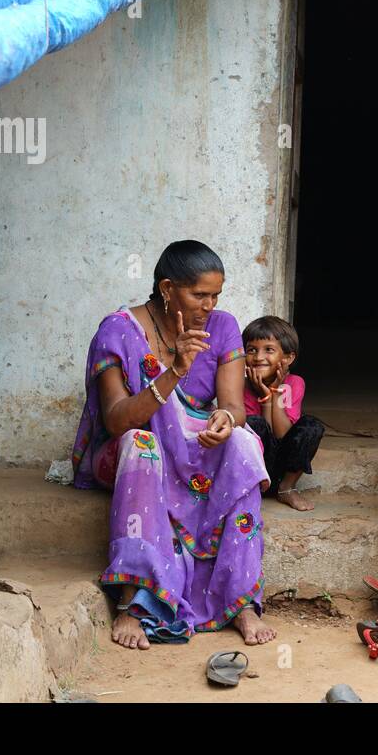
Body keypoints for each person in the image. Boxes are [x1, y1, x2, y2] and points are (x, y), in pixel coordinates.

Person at [71, 240, 277, 649]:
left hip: (195, 445)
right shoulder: (119, 331)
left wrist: (226, 419)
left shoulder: (222, 326)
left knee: (242, 445)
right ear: (167, 288)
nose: (209, 304)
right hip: (131, 450)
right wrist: (175, 371)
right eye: (199, 294)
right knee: (142, 444)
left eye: (216, 294)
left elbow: (235, 405)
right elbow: (117, 420)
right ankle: (137, 600)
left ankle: (240, 601)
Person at [242, 315, 325, 512]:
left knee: (311, 426)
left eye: (268, 350)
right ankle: (251, 489)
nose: (259, 357)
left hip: (282, 466)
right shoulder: (240, 385)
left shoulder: (294, 383)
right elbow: (262, 434)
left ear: (288, 358)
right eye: (252, 350)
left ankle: (286, 488)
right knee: (253, 424)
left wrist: (274, 394)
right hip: (256, 466)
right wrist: (264, 397)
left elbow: (282, 434)